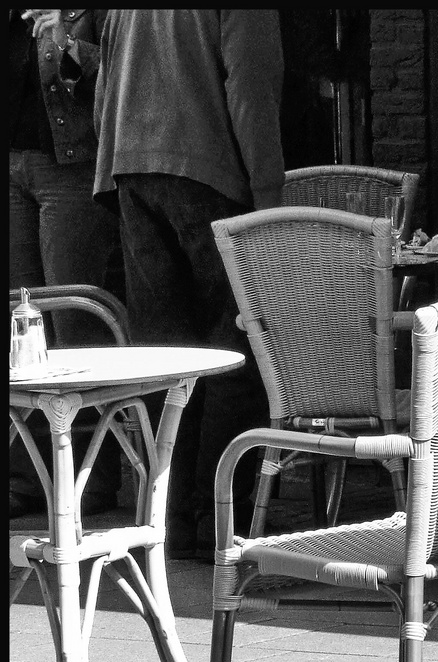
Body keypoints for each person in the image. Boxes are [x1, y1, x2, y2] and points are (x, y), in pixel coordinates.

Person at [93, 10, 283, 559]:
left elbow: (107, 89)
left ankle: (172, 522)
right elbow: (251, 90)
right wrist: (269, 204)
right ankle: (217, 522)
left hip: (133, 172)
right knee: (236, 350)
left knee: (170, 361)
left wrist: (113, 176)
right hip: (208, 174)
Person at [10, 7, 122, 516]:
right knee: (20, 327)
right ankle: (29, 476)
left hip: (69, 167)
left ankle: (90, 477)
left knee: (74, 323)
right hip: (12, 168)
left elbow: (117, 77)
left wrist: (69, 44)